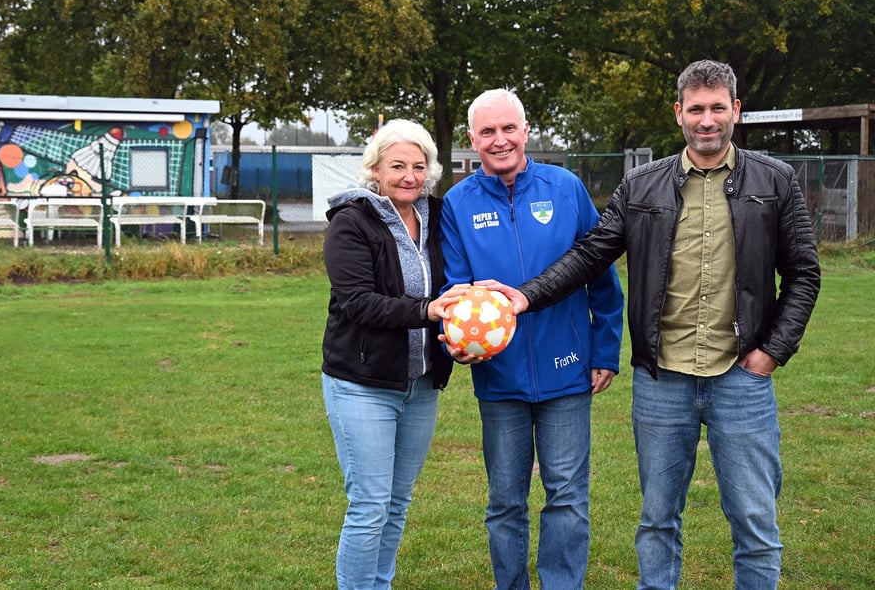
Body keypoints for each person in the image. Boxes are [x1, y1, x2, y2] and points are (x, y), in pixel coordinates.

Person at [485, 60, 822, 589]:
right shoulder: (642, 185)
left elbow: (803, 273)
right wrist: (526, 296)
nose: (706, 120)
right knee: (657, 522)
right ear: (678, 113)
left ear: (736, 110)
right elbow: (591, 254)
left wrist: (772, 352)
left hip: (741, 378)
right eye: (696, 109)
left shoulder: (774, 181)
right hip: (662, 381)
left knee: (755, 523)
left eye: (717, 108)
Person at [439, 88, 625, 590]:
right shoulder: (458, 203)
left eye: (508, 128)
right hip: (499, 376)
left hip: (568, 368)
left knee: (566, 494)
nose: (499, 140)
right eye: (487, 131)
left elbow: (601, 275)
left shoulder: (565, 188)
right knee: (505, 501)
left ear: (525, 130)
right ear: (472, 139)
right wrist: (453, 336)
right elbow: (454, 288)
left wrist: (605, 350)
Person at [321, 118, 464, 590]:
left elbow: (458, 278)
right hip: (362, 384)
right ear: (375, 170)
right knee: (369, 505)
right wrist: (428, 310)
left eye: (418, 166)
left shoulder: (438, 216)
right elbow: (358, 303)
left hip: (421, 385)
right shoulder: (351, 222)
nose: (409, 176)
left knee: (397, 503)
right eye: (397, 166)